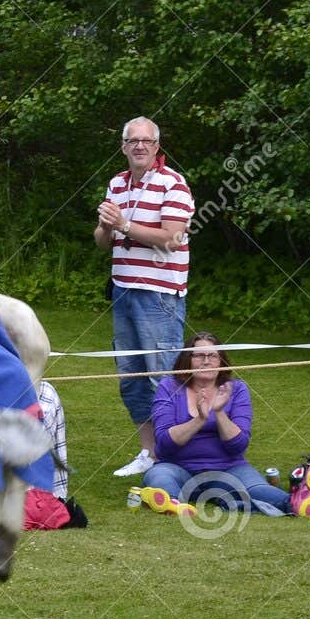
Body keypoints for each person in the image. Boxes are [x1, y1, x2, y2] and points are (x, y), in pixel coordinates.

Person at [94, 117, 194, 478]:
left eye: (146, 141)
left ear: (157, 147)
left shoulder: (174, 185)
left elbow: (172, 238)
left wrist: (122, 224)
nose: (139, 146)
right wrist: (106, 226)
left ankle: (177, 457)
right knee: (131, 380)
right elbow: (103, 242)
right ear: (123, 147)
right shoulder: (116, 184)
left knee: (163, 378)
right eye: (132, 140)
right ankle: (150, 453)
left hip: (160, 296)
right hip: (123, 291)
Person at [140, 332, 310, 516]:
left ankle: (298, 502)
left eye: (212, 356)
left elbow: (238, 445)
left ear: (221, 361)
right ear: (187, 359)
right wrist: (199, 420)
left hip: (228, 467)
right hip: (177, 466)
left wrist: (218, 413)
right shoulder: (168, 386)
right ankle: (172, 503)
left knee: (256, 488)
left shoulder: (237, 389)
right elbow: (164, 444)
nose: (206, 361)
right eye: (199, 355)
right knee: (158, 476)